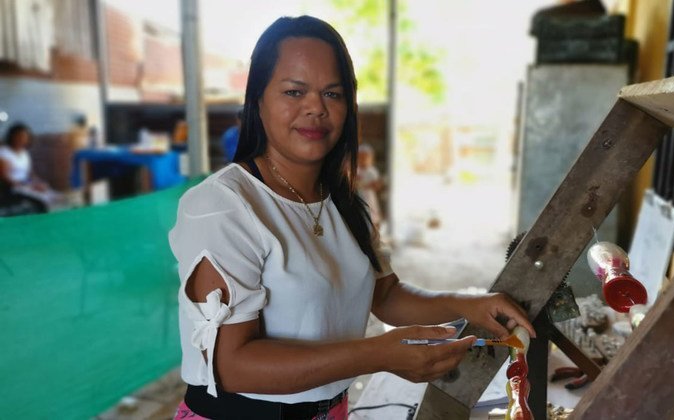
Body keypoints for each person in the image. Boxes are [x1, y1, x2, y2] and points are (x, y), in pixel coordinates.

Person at [168, 16, 534, 419]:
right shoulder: (224, 206)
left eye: (333, 93)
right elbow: (231, 366)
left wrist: (470, 305)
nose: (316, 108)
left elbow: (386, 296)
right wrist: (378, 354)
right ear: (257, 101)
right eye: (294, 91)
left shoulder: (343, 199)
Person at [0, 123, 58, 212]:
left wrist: (38, 182)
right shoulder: (4, 153)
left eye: (25, 137)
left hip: (26, 185)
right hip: (14, 189)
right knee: (43, 201)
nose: (22, 139)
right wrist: (30, 185)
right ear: (12, 137)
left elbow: (29, 174)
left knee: (55, 197)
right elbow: (6, 178)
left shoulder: (24, 153)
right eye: (19, 136)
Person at [355, 143, 383, 229]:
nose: (363, 160)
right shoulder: (356, 170)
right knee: (360, 211)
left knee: (372, 211)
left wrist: (375, 185)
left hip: (369, 196)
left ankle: (374, 226)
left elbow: (377, 185)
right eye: (360, 158)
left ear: (371, 159)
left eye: (366, 158)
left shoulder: (372, 171)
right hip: (359, 195)